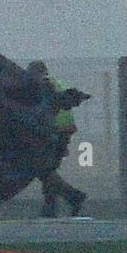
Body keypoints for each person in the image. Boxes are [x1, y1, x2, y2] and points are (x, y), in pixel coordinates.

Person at [28, 60, 89, 217]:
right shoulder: (55, 83)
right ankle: (56, 203)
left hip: (54, 131)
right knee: (47, 170)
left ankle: (69, 198)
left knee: (44, 169)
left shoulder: (43, 86)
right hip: (61, 130)